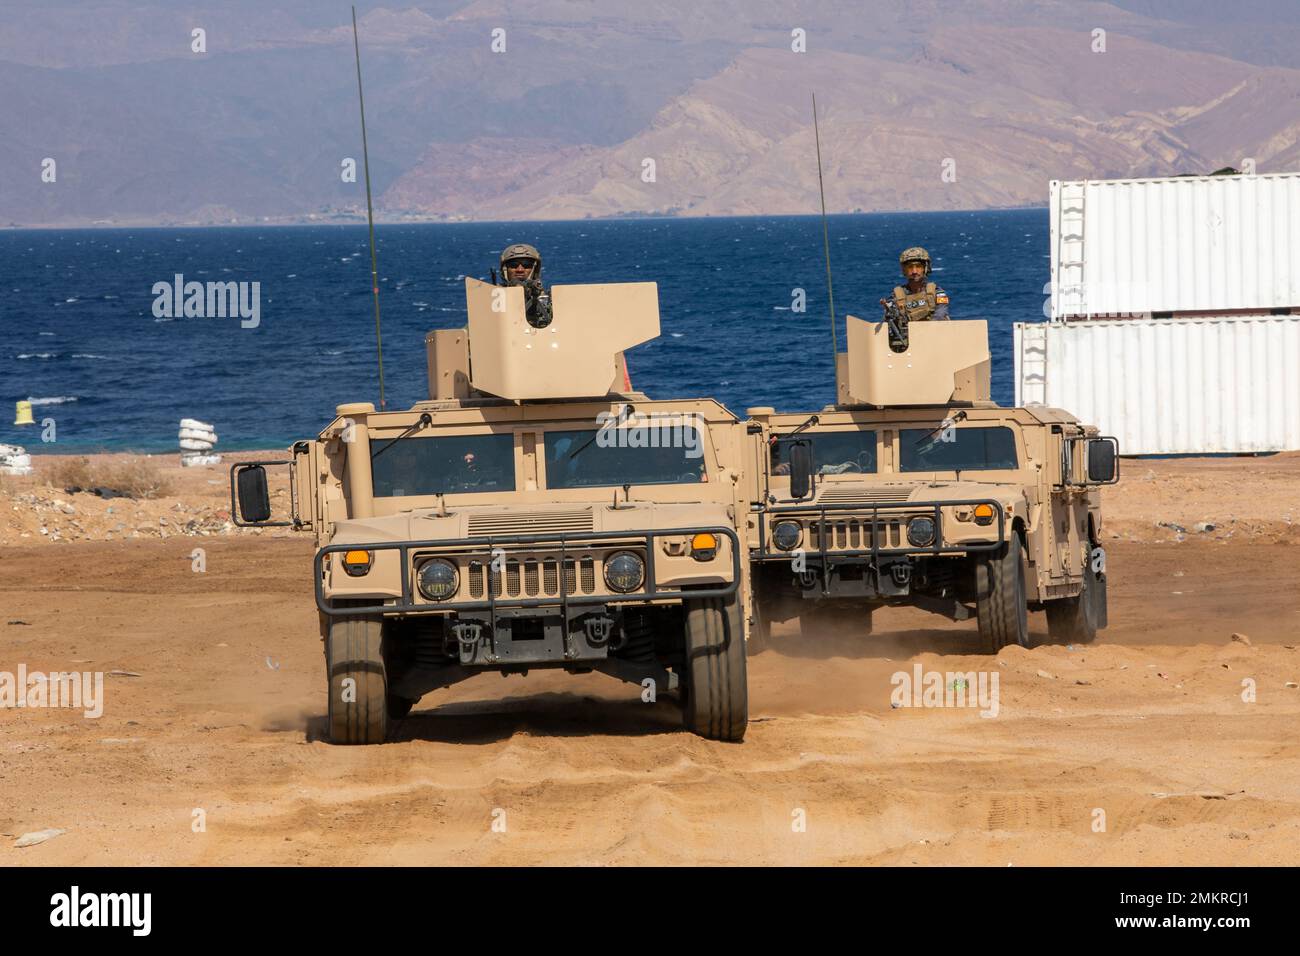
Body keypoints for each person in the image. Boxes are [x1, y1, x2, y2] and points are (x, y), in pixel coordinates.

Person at [880, 246, 949, 323]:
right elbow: (889, 321)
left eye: (918, 267)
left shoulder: (937, 292)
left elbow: (940, 315)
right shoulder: (897, 296)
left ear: (925, 268)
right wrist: (888, 310)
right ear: (904, 270)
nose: (914, 271)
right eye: (910, 267)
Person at [495, 242, 552, 328]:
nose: (520, 270)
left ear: (535, 269)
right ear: (505, 269)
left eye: (526, 265)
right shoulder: (492, 298)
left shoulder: (550, 300)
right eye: (513, 265)